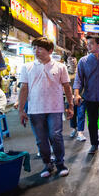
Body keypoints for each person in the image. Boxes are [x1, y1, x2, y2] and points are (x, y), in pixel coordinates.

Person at [18, 37, 74, 178]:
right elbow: (24, 88)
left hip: (55, 109)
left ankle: (60, 163)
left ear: (50, 50)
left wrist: (70, 106)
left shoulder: (60, 67)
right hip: (35, 110)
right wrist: (21, 110)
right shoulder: (27, 67)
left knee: (55, 136)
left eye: (40, 48)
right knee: (41, 140)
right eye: (35, 48)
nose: (36, 51)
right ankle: (47, 164)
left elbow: (67, 87)